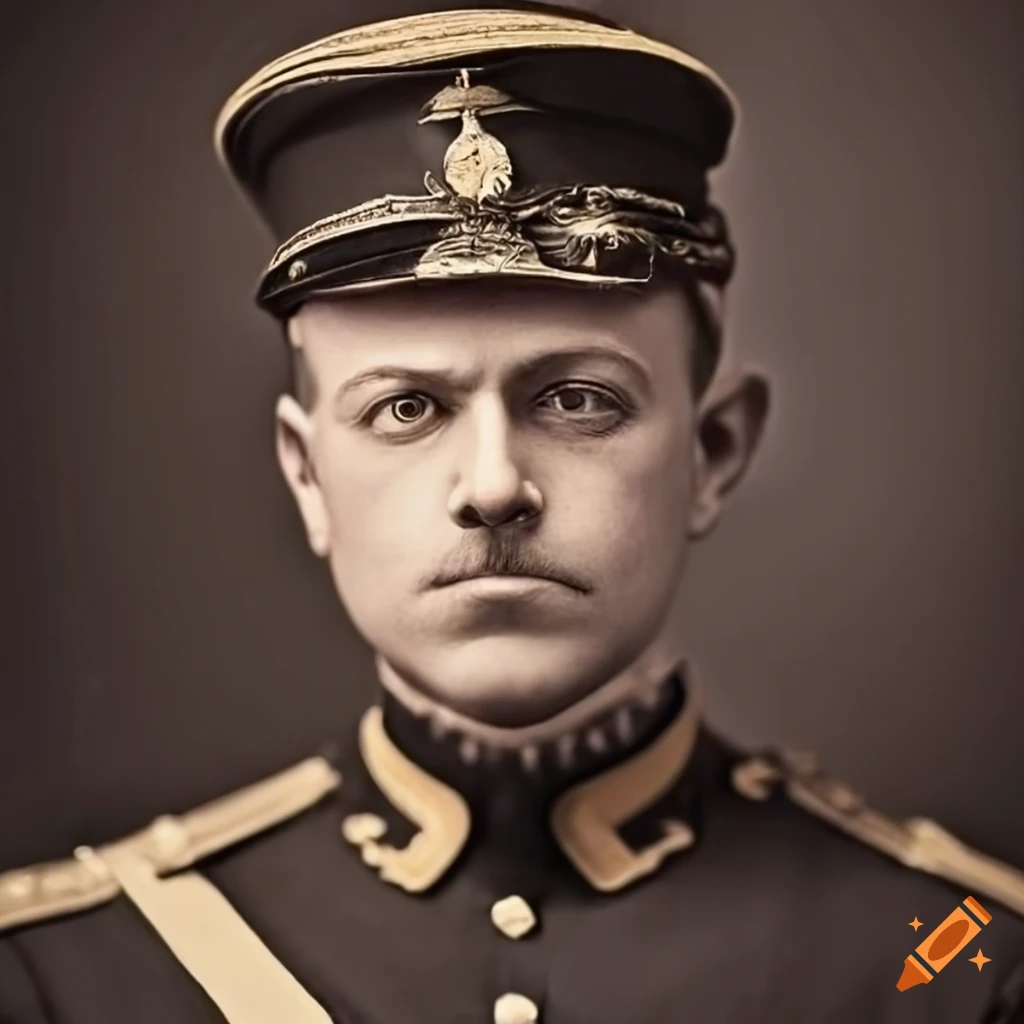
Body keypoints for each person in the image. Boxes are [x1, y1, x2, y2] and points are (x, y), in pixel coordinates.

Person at [1, 4, 1022, 1023]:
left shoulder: (944, 968)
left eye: (577, 399)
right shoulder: (67, 979)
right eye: (406, 408)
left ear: (711, 453)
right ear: (307, 478)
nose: (492, 487)